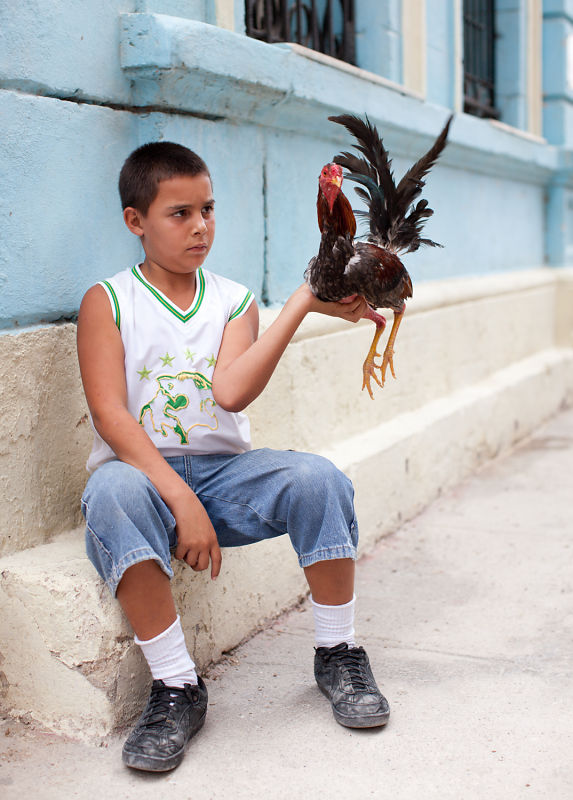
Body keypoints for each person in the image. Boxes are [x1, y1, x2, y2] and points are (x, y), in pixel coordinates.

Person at [77, 141, 390, 773]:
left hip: (226, 481)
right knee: (110, 492)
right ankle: (177, 688)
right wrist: (179, 497)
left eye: (209, 210)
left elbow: (230, 392)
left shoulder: (233, 301)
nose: (200, 227)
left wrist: (300, 303)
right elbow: (112, 417)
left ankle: (338, 652)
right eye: (180, 213)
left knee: (317, 479)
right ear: (136, 221)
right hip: (142, 481)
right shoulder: (107, 302)